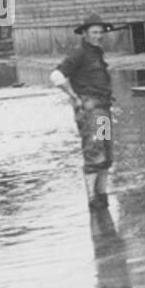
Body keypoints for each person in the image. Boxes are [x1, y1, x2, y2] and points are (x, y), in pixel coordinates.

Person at [51, 13, 116, 211]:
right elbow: (56, 75)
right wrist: (73, 96)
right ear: (85, 34)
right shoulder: (79, 53)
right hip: (90, 110)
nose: (99, 36)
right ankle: (92, 197)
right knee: (94, 150)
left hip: (102, 110)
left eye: (101, 32)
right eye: (94, 32)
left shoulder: (96, 52)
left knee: (105, 151)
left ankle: (102, 194)